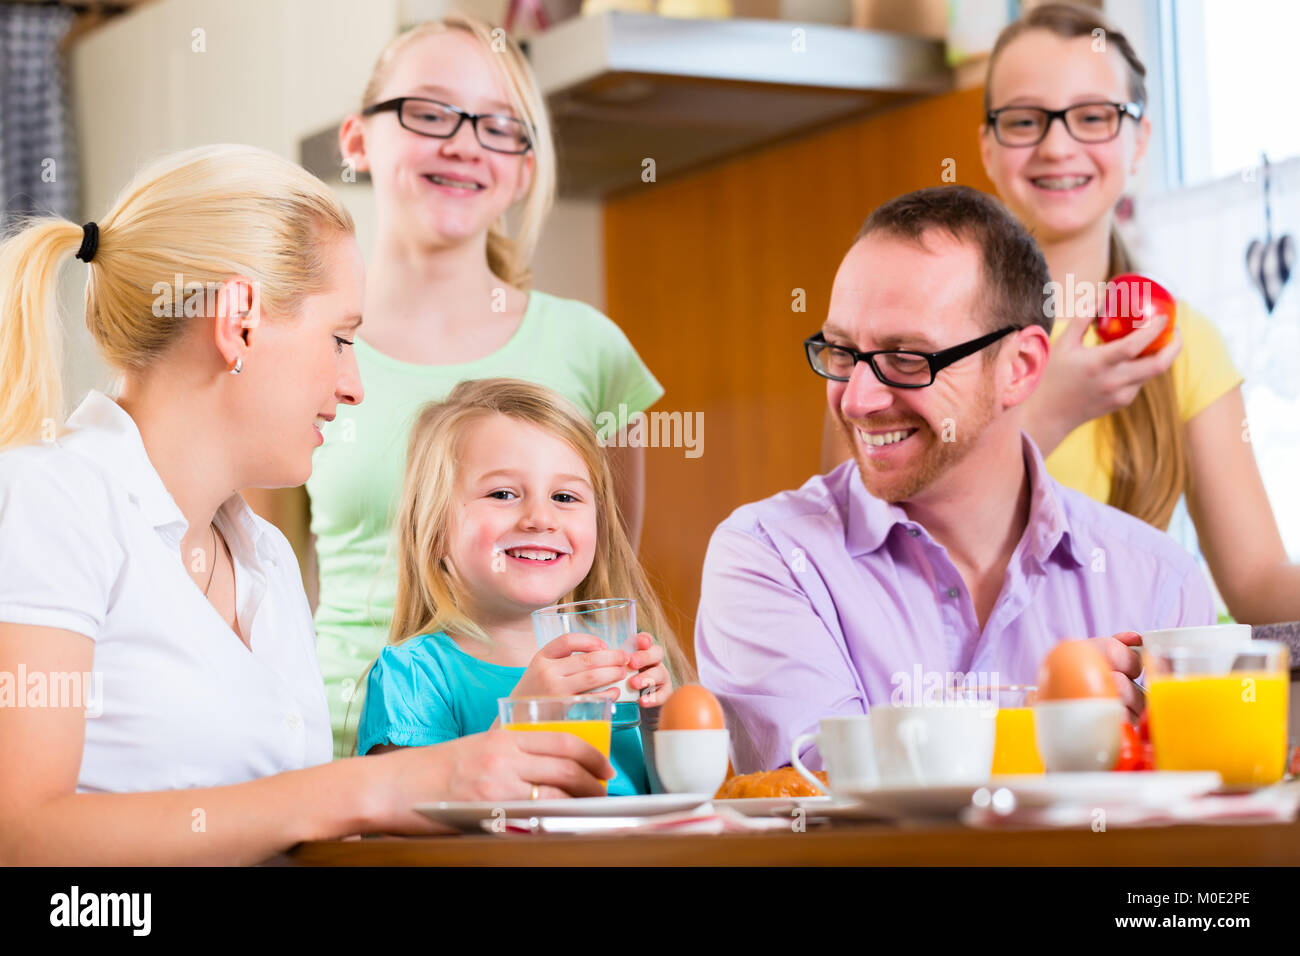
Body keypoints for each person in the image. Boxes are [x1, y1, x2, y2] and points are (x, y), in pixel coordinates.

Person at [0, 144, 611, 866]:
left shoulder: (268, 560)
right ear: (241, 322)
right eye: (341, 339)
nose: (355, 385)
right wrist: (377, 785)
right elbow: (23, 835)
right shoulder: (48, 501)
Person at [246, 15, 665, 755]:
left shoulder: (593, 350)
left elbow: (605, 580)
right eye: (430, 113)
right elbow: (253, 583)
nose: (465, 142)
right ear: (356, 141)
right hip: (339, 756)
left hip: (560, 758)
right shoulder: (293, 346)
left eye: (500, 126)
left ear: (524, 169)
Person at [696, 185, 1214, 774]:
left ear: (1019, 369)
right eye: (841, 352)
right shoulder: (769, 557)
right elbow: (818, 796)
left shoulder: (1158, 583)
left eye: (908, 358)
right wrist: (1040, 735)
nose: (859, 400)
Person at [824, 2, 1300, 626]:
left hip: (1135, 708)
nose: (1057, 144)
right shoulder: (888, 341)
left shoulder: (1181, 343)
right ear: (988, 148)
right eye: (1025, 121)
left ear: (1139, 143)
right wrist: (1047, 411)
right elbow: (854, 557)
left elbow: (1258, 586)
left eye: (1094, 117)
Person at [356, 378, 691, 795]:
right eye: (503, 493)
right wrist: (523, 719)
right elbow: (405, 843)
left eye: (565, 498)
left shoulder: (618, 670)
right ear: (436, 528)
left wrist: (666, 725)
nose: (540, 518)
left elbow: (682, 811)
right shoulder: (416, 676)